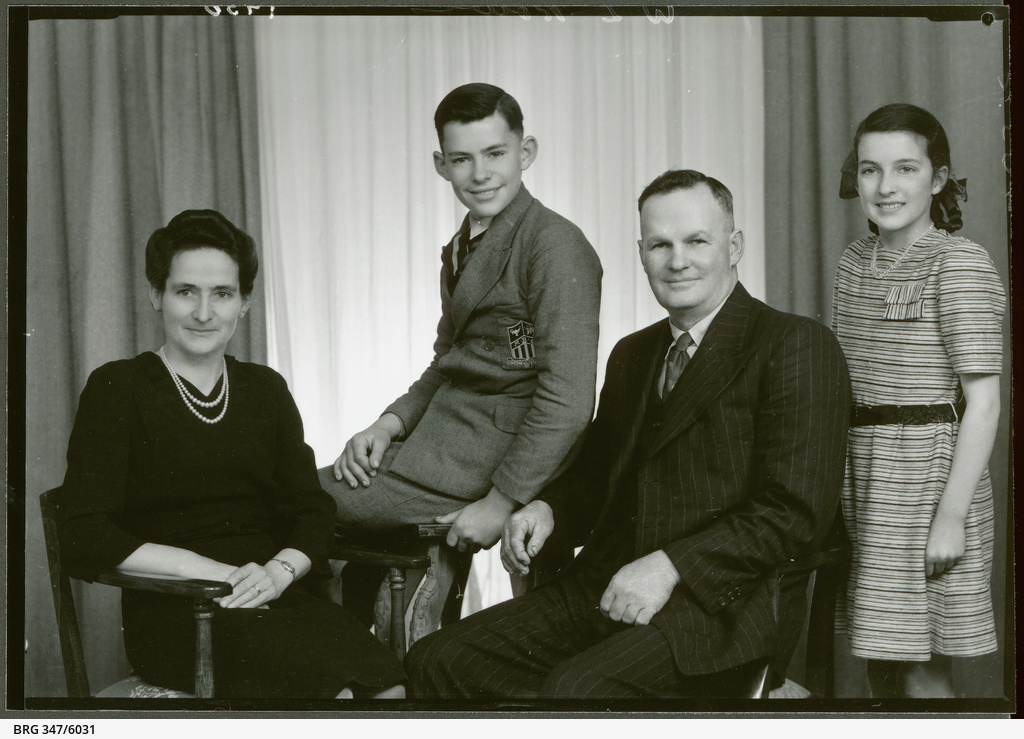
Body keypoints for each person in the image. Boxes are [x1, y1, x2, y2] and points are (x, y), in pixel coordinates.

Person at [405, 169, 851, 698]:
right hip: (605, 585)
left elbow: (794, 513)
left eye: (696, 241)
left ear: (734, 247)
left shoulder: (795, 344)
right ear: (642, 253)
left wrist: (669, 568)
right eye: (660, 244)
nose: (677, 260)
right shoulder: (633, 353)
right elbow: (597, 473)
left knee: (577, 693)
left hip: (719, 608)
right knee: (438, 660)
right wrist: (550, 509)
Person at [56, 209, 406, 699]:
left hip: (272, 592)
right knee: (333, 698)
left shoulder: (265, 390)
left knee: (389, 688)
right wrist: (216, 574)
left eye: (222, 294)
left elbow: (311, 508)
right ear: (157, 294)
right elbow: (82, 533)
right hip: (179, 608)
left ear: (244, 302)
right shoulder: (118, 388)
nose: (204, 312)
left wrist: (279, 572)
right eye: (185, 292)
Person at [320, 83, 602, 613]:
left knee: (301, 502)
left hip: (497, 457)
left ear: (526, 152)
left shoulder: (555, 245)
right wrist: (389, 423)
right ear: (440, 165)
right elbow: (445, 364)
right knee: (302, 499)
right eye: (461, 159)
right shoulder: (461, 245)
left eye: (495, 153)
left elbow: (568, 401)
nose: (480, 174)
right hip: (442, 440)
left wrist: (501, 502)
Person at [833, 104, 1004, 698]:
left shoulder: (959, 263)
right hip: (864, 475)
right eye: (870, 170)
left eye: (905, 169)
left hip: (930, 480)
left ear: (937, 179)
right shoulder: (854, 263)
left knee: (922, 663)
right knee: (879, 653)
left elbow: (984, 402)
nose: (885, 187)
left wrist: (952, 516)